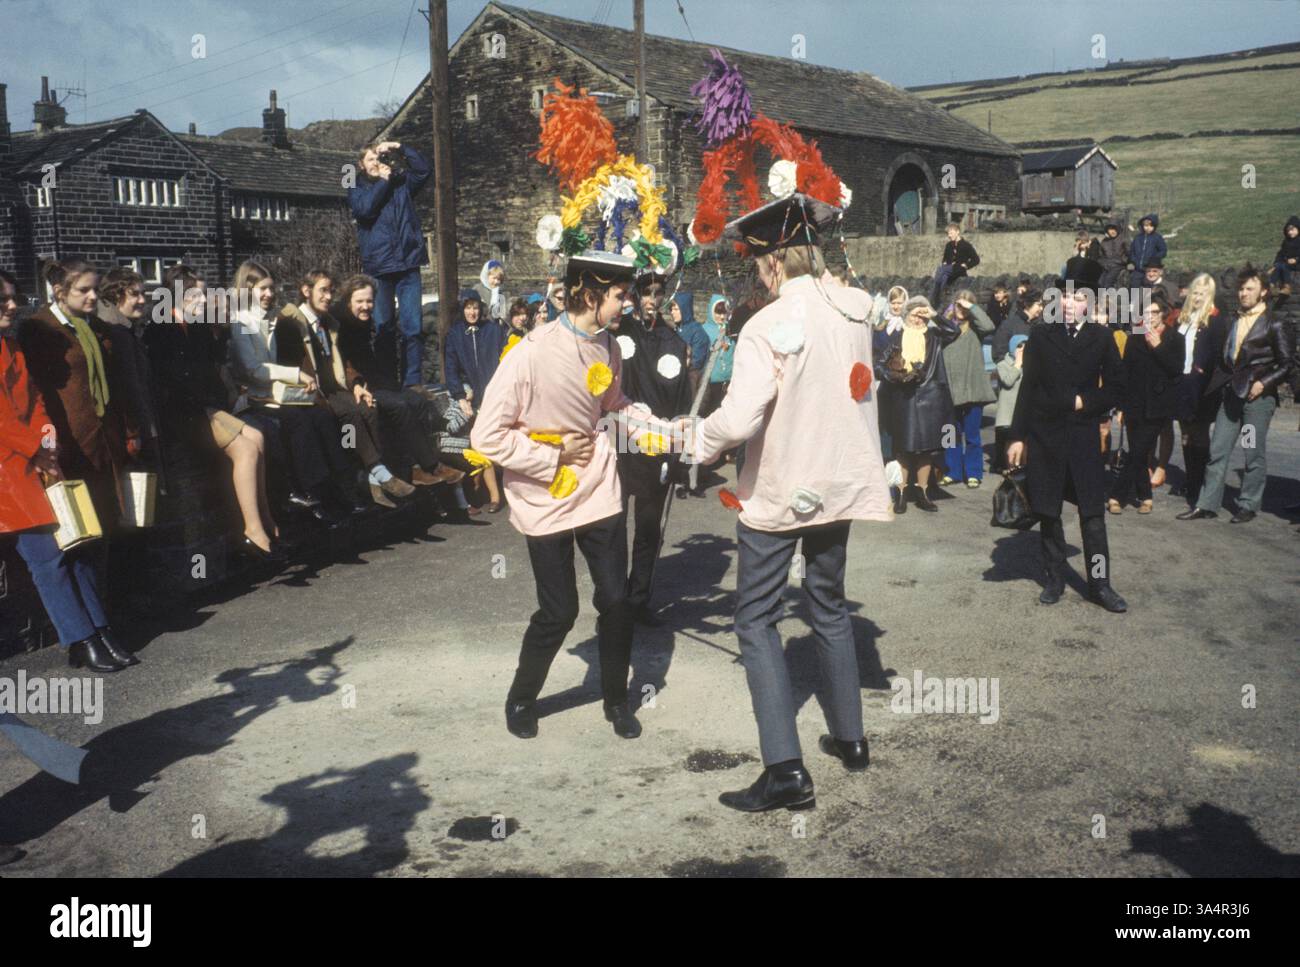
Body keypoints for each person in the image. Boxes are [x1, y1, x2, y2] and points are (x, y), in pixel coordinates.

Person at [686, 194, 891, 812]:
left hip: (780, 491)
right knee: (828, 605)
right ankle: (850, 739)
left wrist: (691, 443)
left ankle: (784, 772)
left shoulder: (764, 325)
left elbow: (740, 417)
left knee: (755, 620)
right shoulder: (857, 311)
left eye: (756, 261)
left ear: (773, 262)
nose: (754, 272)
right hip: (840, 483)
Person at [470, 250, 675, 741]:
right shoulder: (530, 352)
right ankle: (521, 697)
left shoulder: (610, 348)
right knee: (560, 611)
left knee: (617, 599)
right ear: (590, 295)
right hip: (544, 496)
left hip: (599, 488)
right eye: (620, 296)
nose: (626, 304)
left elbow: (614, 405)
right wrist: (554, 455)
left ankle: (616, 700)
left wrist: (667, 432)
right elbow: (485, 437)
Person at [1, 269, 135, 672]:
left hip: (36, 462)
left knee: (79, 547)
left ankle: (97, 630)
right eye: (3, 299)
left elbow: (38, 401)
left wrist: (45, 444)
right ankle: (81, 639)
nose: (12, 305)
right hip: (9, 472)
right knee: (48, 557)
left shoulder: (12, 347)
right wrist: (35, 450)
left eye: (12, 296)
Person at [142, 264, 284, 560]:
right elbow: (171, 385)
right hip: (182, 417)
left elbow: (212, 373)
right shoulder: (159, 331)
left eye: (204, 295)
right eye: (196, 295)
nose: (204, 301)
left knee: (257, 437)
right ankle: (253, 530)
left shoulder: (199, 328)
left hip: (206, 409)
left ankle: (266, 518)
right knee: (245, 450)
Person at [1006, 281, 1128, 613]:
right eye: (1064, 296)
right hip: (1045, 437)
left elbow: (1118, 386)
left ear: (1089, 303)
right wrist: (1017, 436)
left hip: (1084, 438)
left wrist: (1085, 401)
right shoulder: (1042, 335)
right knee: (1048, 512)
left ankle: (1100, 584)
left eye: (1077, 297)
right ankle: (1054, 579)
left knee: (1092, 515)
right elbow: (1028, 389)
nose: (1069, 303)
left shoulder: (1102, 337)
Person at [227, 260, 367, 520]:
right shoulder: (242, 322)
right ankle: (309, 492)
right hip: (255, 399)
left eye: (271, 289)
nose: (270, 294)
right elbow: (253, 370)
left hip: (274, 395)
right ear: (247, 291)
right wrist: (296, 374)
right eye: (263, 289)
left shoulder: (267, 319)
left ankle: (342, 488)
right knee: (298, 421)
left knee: (321, 416)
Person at [274, 270, 416, 508]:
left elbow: (343, 362)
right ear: (306, 291)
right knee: (350, 418)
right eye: (323, 290)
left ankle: (371, 477)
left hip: (336, 388)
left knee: (368, 408)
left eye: (330, 291)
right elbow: (289, 365)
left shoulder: (327, 323)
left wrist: (357, 384)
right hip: (314, 393)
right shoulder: (292, 324)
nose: (329, 296)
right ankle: (375, 472)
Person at [1179, 266, 1294, 523]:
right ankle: (1207, 504)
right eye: (1241, 288)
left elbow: (1287, 363)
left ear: (1263, 291)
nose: (1243, 293)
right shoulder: (1233, 319)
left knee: (1251, 449)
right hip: (1231, 396)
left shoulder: (1275, 322)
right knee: (1218, 448)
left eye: (1249, 289)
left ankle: (1248, 503)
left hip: (1256, 400)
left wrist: (1263, 383)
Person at [330, 274, 458, 489]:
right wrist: (358, 383)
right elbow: (340, 362)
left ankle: (423, 464)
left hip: (371, 381)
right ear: (348, 300)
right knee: (399, 406)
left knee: (417, 401)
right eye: (359, 301)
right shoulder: (339, 323)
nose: (365, 306)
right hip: (351, 387)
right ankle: (423, 466)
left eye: (369, 301)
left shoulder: (362, 321)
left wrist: (391, 384)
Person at [615, 269, 692, 623]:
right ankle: (614, 598)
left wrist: (678, 453)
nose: (652, 300)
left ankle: (638, 599)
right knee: (612, 523)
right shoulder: (617, 333)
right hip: (616, 440)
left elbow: (681, 405)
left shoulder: (673, 342)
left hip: (655, 448)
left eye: (658, 293)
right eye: (646, 292)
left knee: (648, 526)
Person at [348, 139, 432, 388]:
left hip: (407, 264)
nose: (377, 163)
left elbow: (424, 170)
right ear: (361, 165)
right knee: (383, 328)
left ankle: (412, 383)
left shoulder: (401, 183)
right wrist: (383, 183)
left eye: (379, 158)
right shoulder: (355, 185)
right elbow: (363, 210)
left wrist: (400, 148)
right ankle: (386, 383)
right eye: (371, 159)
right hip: (379, 267)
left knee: (413, 327)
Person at [877, 295, 961, 512]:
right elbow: (879, 365)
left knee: (927, 449)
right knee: (903, 448)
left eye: (922, 315)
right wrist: (893, 376)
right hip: (903, 398)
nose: (918, 319)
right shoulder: (896, 336)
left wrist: (934, 315)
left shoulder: (935, 336)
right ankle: (902, 492)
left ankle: (923, 492)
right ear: (906, 315)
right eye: (915, 314)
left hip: (932, 398)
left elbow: (954, 331)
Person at [1107, 297, 1184, 514]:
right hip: (1134, 403)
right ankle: (1145, 497)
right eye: (1145, 313)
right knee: (1138, 453)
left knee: (1139, 451)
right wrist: (1121, 406)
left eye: (1153, 312)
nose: (1149, 317)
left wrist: (1158, 348)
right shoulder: (1135, 338)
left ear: (1163, 314)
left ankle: (1116, 495)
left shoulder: (1175, 338)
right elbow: (1125, 373)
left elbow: (1176, 369)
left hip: (1158, 405)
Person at [443, 289, 504, 513]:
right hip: (469, 399)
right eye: (468, 307)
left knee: (491, 444)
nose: (472, 312)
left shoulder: (493, 331)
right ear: (462, 309)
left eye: (476, 307)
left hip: (493, 397)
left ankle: (498, 496)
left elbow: (505, 361)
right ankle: (475, 497)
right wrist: (460, 395)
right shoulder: (455, 334)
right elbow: (451, 369)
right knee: (469, 447)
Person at [95, 267, 160, 471]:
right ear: (115, 295)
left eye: (143, 294)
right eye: (134, 294)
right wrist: (140, 433)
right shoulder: (118, 333)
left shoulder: (123, 327)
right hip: (134, 432)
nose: (142, 300)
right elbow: (130, 389)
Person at [1171, 273, 1226, 505]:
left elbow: (1217, 355)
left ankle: (1199, 482)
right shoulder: (1182, 319)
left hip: (1201, 385)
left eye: (1202, 293)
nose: (1197, 297)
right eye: (1194, 292)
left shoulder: (1215, 320)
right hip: (1182, 381)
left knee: (1200, 434)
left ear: (1210, 295)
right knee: (1185, 435)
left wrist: (1204, 376)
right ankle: (1190, 478)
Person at [939, 290, 996, 488]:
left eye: (965, 306)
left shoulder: (976, 330)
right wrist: (947, 314)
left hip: (972, 390)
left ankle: (973, 472)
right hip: (950, 391)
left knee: (972, 436)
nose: (961, 309)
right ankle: (951, 470)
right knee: (949, 434)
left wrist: (971, 305)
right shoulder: (946, 329)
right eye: (958, 305)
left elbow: (989, 326)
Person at [670, 291, 712, 402]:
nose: (672, 312)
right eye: (671, 309)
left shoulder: (698, 333)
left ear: (684, 309)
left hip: (690, 382)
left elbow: (697, 362)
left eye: (676, 309)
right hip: (675, 378)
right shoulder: (676, 329)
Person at [994, 334, 1028, 465]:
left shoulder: (1031, 365)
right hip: (1007, 416)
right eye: (1019, 345)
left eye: (1026, 345)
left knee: (1024, 448)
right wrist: (1018, 365)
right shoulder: (1003, 364)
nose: (1022, 349)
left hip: (1023, 414)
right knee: (1010, 450)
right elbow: (1008, 381)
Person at [930, 222, 980, 305]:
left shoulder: (966, 245)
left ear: (958, 232)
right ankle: (938, 300)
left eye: (951, 233)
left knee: (940, 270)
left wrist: (966, 265)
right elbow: (944, 259)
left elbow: (976, 259)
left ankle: (933, 297)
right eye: (948, 234)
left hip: (959, 270)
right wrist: (945, 263)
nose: (949, 236)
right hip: (948, 271)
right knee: (944, 276)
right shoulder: (948, 245)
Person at [991, 285, 1043, 361]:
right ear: (1027, 304)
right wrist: (1014, 367)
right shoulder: (1009, 325)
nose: (1041, 308)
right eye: (1039, 305)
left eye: (1042, 305)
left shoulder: (1039, 325)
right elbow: (998, 354)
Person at [1127, 213, 1167, 284]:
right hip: (1137, 269)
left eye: (1151, 226)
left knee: (1147, 289)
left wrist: (1153, 259)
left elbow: (1163, 251)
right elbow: (1132, 251)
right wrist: (1134, 260)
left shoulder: (1157, 238)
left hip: (1149, 270)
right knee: (1134, 286)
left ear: (1154, 227)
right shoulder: (1138, 238)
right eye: (1146, 225)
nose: (1148, 227)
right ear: (1142, 226)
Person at [1269, 215, 1299, 293]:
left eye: (1292, 230)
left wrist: (1296, 259)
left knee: (1284, 266)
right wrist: (1275, 263)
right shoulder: (1286, 241)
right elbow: (1281, 253)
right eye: (1288, 230)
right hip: (1287, 262)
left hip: (1297, 263)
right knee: (1278, 266)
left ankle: (1287, 286)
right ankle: (1272, 285)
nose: (1290, 232)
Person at [473, 259, 508, 325]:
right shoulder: (477, 289)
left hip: (493, 325)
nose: (496, 282)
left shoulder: (500, 293)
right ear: (487, 276)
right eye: (494, 278)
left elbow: (502, 313)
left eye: (499, 279)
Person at [1097, 223, 1128, 290]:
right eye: (1110, 229)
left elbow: (1129, 253)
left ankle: (1106, 298)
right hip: (1107, 266)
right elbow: (1100, 256)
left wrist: (1123, 261)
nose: (1112, 231)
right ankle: (1101, 298)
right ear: (1107, 231)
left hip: (1118, 265)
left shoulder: (1123, 240)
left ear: (1118, 229)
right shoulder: (1105, 241)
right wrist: (1103, 263)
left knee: (1108, 282)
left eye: (1114, 229)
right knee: (1100, 282)